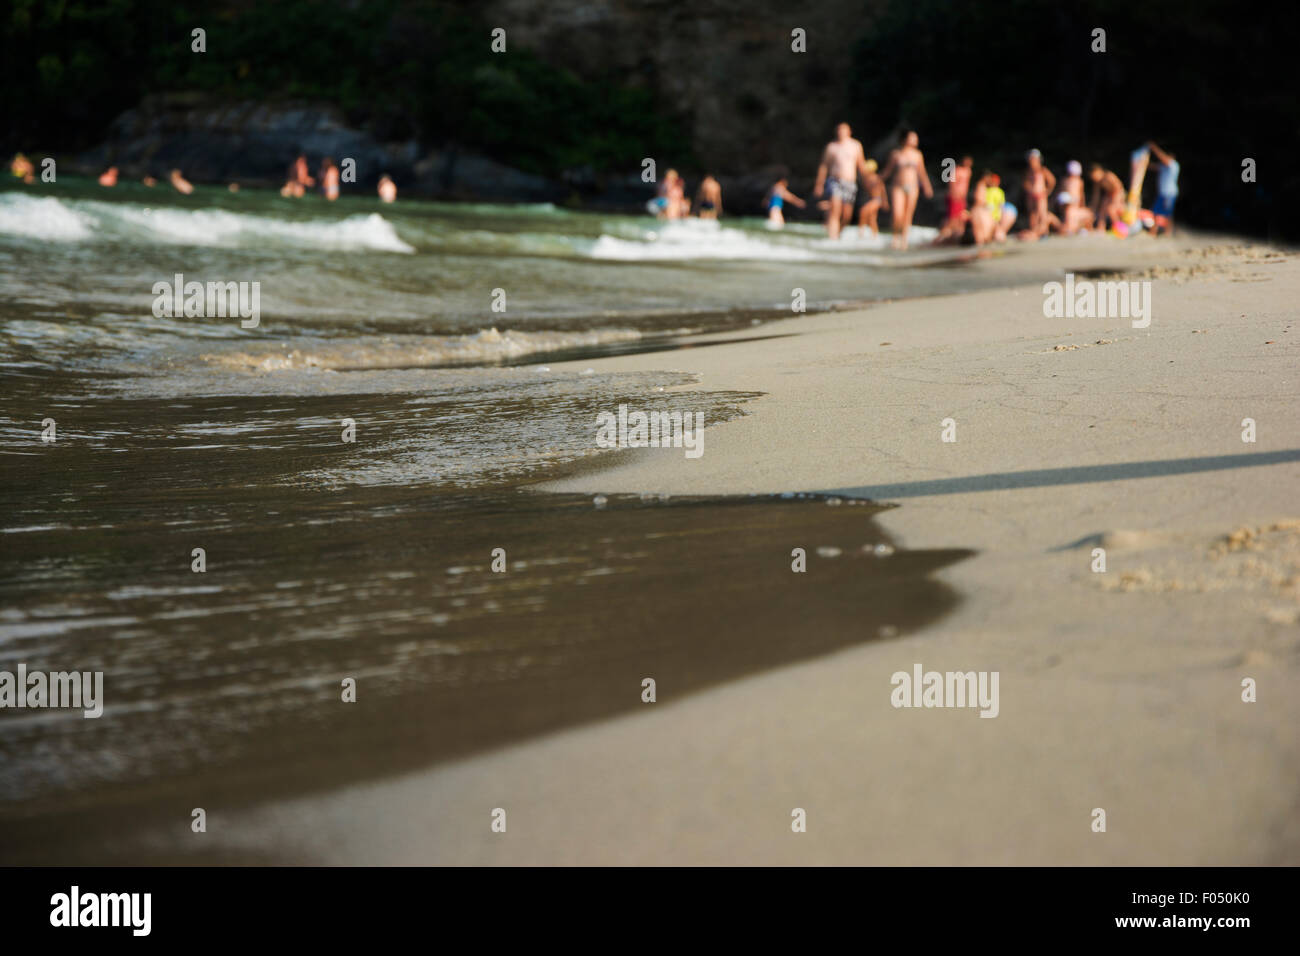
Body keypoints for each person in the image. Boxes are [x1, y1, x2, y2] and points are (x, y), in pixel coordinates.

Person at [813, 122, 871, 239]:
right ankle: (832, 238)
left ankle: (838, 233)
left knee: (846, 215)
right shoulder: (831, 147)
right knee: (835, 210)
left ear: (849, 132)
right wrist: (819, 184)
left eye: (844, 130)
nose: (841, 132)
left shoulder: (855, 146)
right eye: (839, 130)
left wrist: (868, 180)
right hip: (834, 181)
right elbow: (824, 166)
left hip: (850, 183)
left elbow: (861, 165)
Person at [878, 129, 934, 249]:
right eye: (912, 137)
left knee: (908, 214)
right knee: (897, 214)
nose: (915, 140)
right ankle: (895, 236)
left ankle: (904, 239)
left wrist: (927, 186)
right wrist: (877, 179)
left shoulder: (918, 155)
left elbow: (922, 173)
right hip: (898, 186)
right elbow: (888, 171)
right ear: (905, 139)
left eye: (915, 138)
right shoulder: (896, 154)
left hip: (913, 187)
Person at [1022, 149, 1058, 237]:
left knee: (1042, 213)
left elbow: (1052, 180)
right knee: (1032, 213)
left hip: (1041, 195)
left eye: (1034, 159)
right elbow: (1025, 183)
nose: (1032, 162)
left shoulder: (1042, 170)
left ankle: (1044, 231)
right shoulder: (1028, 171)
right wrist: (1028, 189)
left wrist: (1047, 191)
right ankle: (1033, 230)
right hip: (1031, 196)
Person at [937, 155, 973, 242]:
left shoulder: (968, 171)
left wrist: (964, 198)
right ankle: (941, 237)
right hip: (954, 197)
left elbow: (966, 186)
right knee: (952, 219)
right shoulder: (956, 170)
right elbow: (951, 184)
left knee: (961, 218)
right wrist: (954, 195)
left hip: (961, 198)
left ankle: (956, 237)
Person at [1147, 141, 1179, 236]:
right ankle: (1157, 231)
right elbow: (1152, 166)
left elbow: (1163, 158)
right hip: (1163, 193)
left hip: (1169, 193)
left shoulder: (1173, 165)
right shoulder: (1164, 167)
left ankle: (1164, 232)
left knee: (1165, 213)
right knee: (1158, 212)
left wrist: (1154, 148)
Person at [1057, 160, 1093, 234]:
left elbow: (1081, 196)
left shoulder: (1078, 181)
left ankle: (1080, 228)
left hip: (1076, 209)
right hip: (1071, 210)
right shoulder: (1066, 181)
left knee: (1089, 214)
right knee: (1069, 225)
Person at [1088, 163, 1126, 231]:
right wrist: (1093, 208)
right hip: (1109, 195)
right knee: (1102, 209)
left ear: (1098, 171)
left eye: (1093, 175)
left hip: (1118, 194)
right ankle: (1101, 227)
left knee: (1111, 210)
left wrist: (1116, 201)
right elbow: (1096, 196)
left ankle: (1119, 227)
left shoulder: (1109, 176)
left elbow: (1119, 188)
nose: (1093, 178)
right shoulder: (1098, 182)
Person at [856, 159, 889, 237]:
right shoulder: (866, 179)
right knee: (872, 218)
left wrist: (885, 201)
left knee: (863, 212)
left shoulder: (876, 178)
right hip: (871, 199)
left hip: (877, 200)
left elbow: (882, 190)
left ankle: (861, 232)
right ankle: (874, 234)